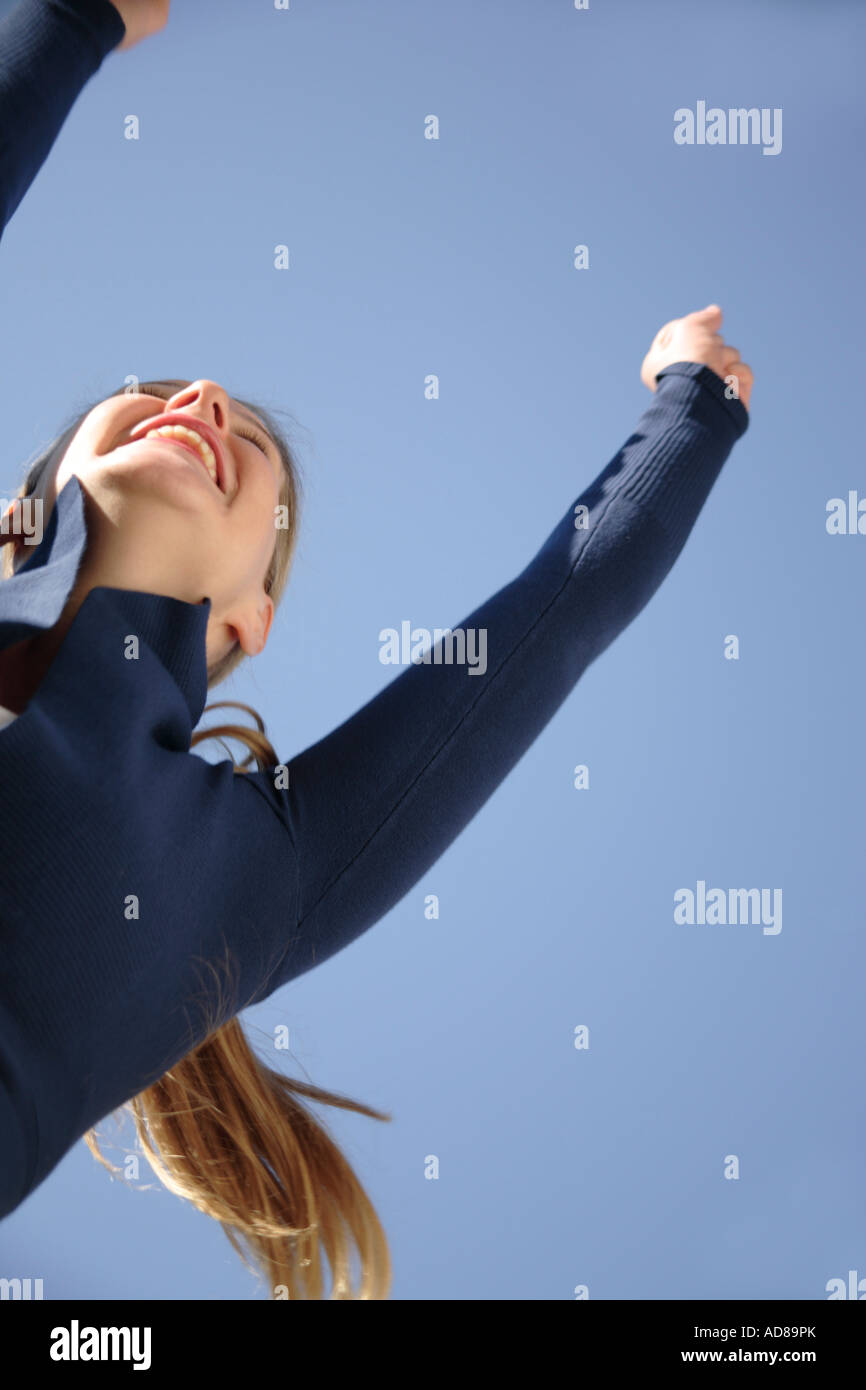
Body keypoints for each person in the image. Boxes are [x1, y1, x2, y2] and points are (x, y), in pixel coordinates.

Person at [0, 0, 753, 1300]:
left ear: (252, 619)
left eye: (262, 478)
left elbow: (551, 620)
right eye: (156, 394)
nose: (204, 404)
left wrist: (692, 403)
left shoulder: (246, 879)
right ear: (38, 489)